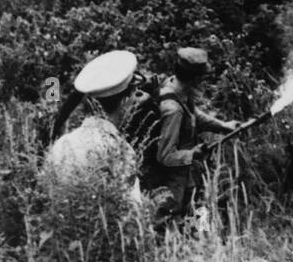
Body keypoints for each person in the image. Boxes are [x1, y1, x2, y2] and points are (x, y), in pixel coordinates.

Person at [43, 51, 143, 207]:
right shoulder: (121, 152)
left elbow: (45, 197)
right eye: (133, 96)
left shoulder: (62, 144)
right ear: (124, 102)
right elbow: (132, 216)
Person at [150, 48, 238, 218]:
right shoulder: (173, 110)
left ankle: (203, 239)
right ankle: (186, 242)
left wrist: (223, 126)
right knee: (170, 226)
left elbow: (193, 114)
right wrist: (193, 154)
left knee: (200, 210)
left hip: (189, 177)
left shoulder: (175, 86)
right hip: (173, 186)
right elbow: (165, 156)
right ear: (196, 78)